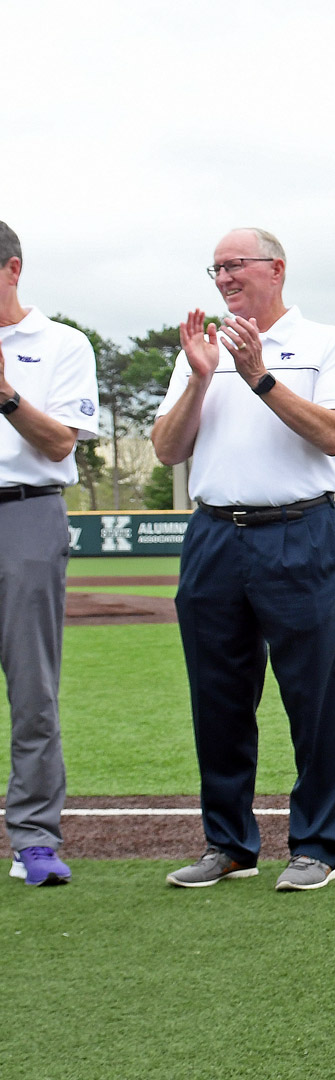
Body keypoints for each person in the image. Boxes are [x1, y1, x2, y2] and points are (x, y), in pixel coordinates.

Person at [151, 227, 335, 893]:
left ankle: (316, 847)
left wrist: (260, 378)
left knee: (314, 696)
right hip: (214, 535)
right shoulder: (200, 351)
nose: (223, 278)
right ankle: (228, 844)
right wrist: (200, 379)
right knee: (216, 697)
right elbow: (166, 450)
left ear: (276, 268)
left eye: (235, 265)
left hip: (297, 532)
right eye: (215, 269)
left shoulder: (326, 342)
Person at [0, 221, 98, 888]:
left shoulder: (60, 343)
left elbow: (62, 443)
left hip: (25, 511)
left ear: (12, 269)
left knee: (32, 689)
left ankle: (33, 838)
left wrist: (5, 395)